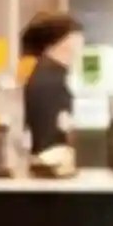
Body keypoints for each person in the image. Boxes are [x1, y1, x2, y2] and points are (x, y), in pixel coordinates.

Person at [20, 12, 83, 162]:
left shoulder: (43, 73)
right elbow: (51, 131)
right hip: (53, 160)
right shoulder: (50, 79)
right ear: (64, 42)